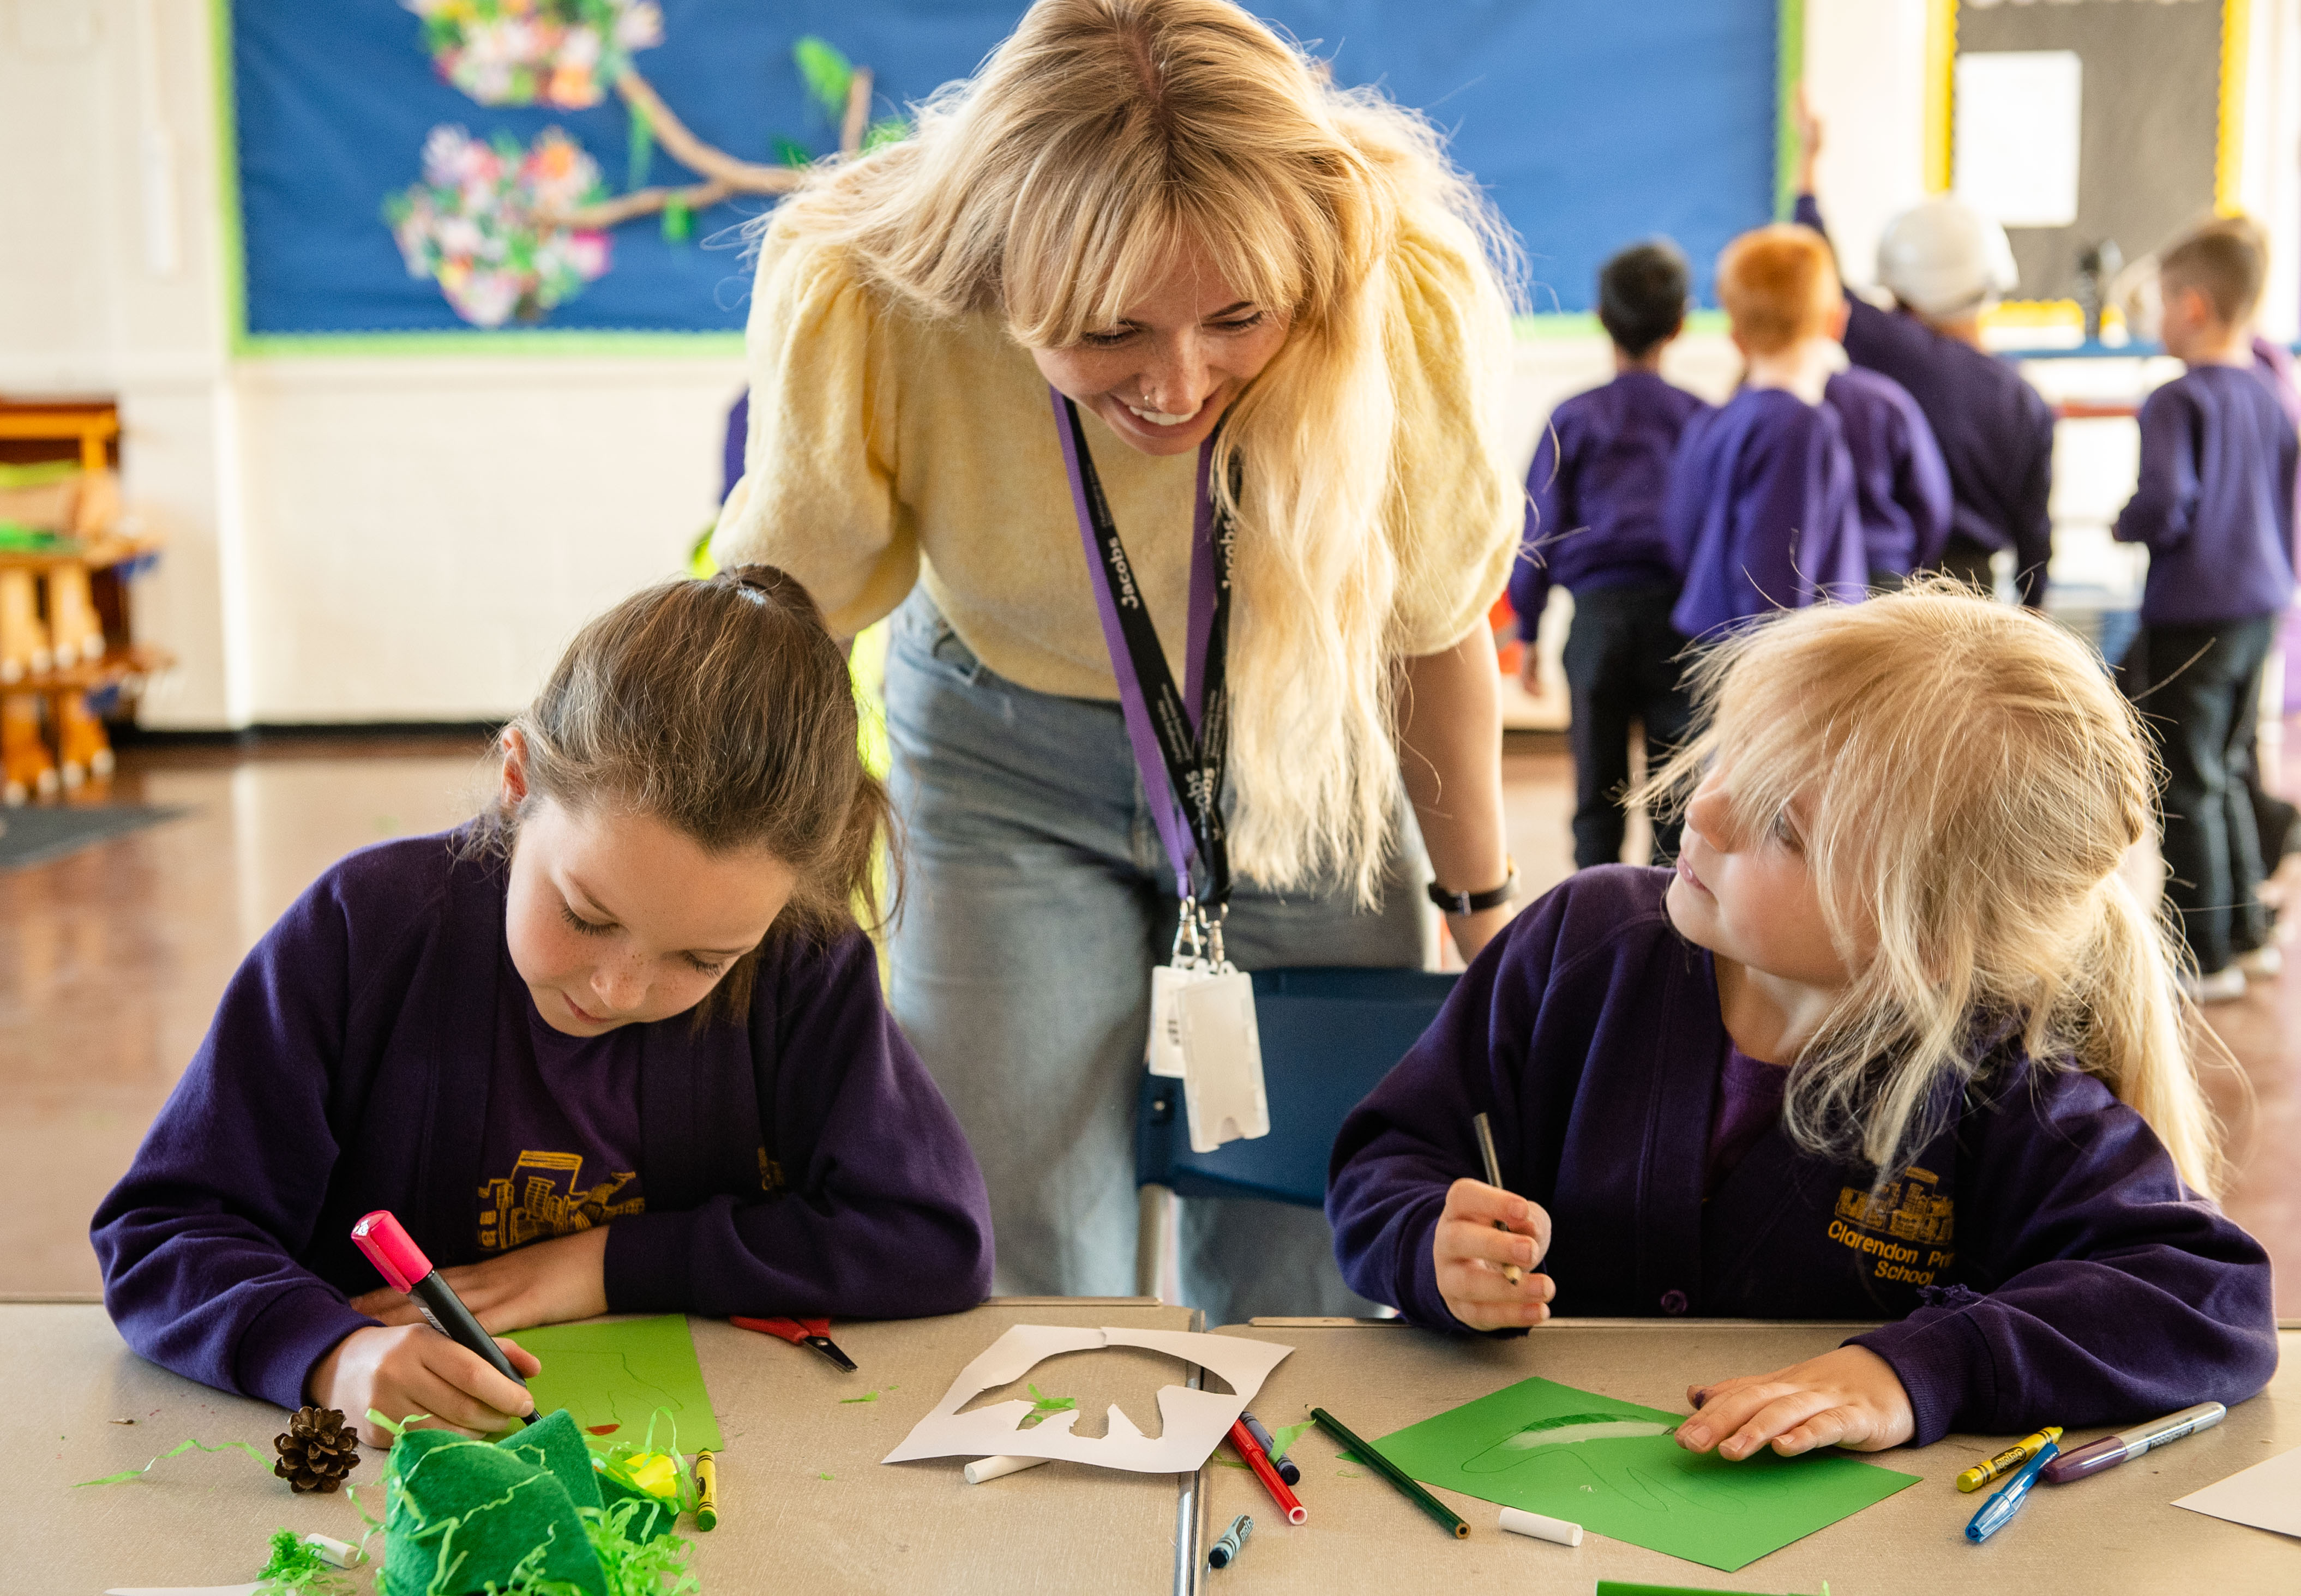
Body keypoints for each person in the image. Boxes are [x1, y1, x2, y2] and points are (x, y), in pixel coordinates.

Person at [711, 0, 1525, 1322]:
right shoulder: (874, 283)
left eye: (1236, 317)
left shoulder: (1399, 279)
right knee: (1010, 1218)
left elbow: (1430, 632)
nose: (1176, 382)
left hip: (1303, 743)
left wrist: (1480, 903)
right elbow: (789, 614)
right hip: (996, 748)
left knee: (1306, 1227)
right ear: (994, 277)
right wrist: (741, 887)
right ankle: (1055, 1513)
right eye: (1106, 333)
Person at [1326, 586, 2278, 1458]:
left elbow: (2211, 1300)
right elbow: (1387, 1157)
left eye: (1784, 823)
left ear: (1931, 935)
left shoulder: (2003, 1078)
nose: (1703, 807)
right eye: (1730, 751)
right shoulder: (1580, 943)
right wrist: (1423, 1243)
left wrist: (1911, 1372)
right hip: (1520, 1503)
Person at [93, 569, 994, 1444]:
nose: (618, 988)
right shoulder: (364, 930)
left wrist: (605, 1265)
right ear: (518, 779)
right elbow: (161, 1234)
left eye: (702, 959)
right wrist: (335, 1356)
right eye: (586, 915)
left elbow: (932, 1235)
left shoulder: (800, 960)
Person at [2114, 222, 2299, 1001]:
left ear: (2190, 307)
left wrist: (2125, 521)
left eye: (2158, 300)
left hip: (2193, 611)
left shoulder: (2173, 397)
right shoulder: (2267, 392)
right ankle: (2244, 934)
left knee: (2183, 780)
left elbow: (2166, 501)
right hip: (2260, 606)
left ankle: (2201, 951)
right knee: (2224, 765)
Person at [1793, 100, 2054, 606]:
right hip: (1977, 594)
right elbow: (2034, 534)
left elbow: (1817, 270)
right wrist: (2033, 616)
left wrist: (1808, 167)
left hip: (1892, 585)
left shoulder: (1895, 351)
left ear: (1904, 295)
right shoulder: (2025, 399)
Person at [1510, 240, 1709, 868]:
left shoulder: (1572, 417)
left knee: (1593, 789)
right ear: (1682, 322)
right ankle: (1671, 933)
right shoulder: (1701, 418)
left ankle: (1592, 925)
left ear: (1600, 317)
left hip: (1595, 620)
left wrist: (1529, 628)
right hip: (1682, 622)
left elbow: (1536, 530)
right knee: (1676, 793)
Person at [1665, 225, 1866, 643]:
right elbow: (1777, 578)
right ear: (1834, 321)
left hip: (1719, 644)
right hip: (1778, 666)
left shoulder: (1712, 421)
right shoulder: (1801, 427)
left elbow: (1680, 531)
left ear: (1735, 333)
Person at [1825, 360, 1951, 589]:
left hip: (1811, 575)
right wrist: (1913, 568)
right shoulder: (1883, 398)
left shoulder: (1771, 405)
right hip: (1884, 567)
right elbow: (1933, 505)